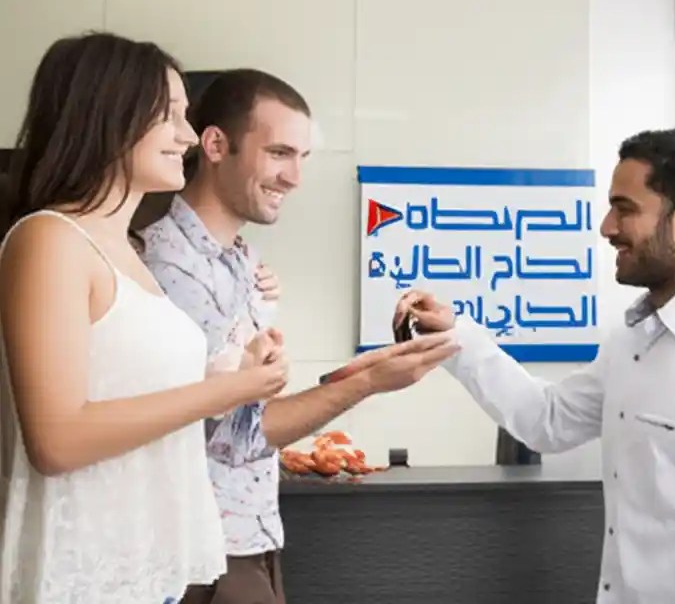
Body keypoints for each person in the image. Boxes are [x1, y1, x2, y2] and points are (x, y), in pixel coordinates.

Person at [396, 128, 675, 603]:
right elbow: (547, 420)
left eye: (626, 208)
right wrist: (455, 335)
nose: (606, 226)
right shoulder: (632, 340)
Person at [139, 68, 459, 604]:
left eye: (303, 158)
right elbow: (234, 436)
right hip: (201, 558)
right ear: (215, 144)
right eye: (280, 153)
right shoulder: (168, 266)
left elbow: (245, 411)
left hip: (247, 541)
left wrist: (367, 368)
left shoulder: (242, 263)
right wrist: (371, 382)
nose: (295, 178)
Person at [0, 32, 291, 603]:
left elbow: (133, 392)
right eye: (171, 115)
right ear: (108, 115)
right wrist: (226, 391)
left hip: (147, 571)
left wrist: (233, 378)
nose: (187, 136)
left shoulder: (129, 254)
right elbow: (56, 439)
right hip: (80, 577)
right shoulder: (49, 240)